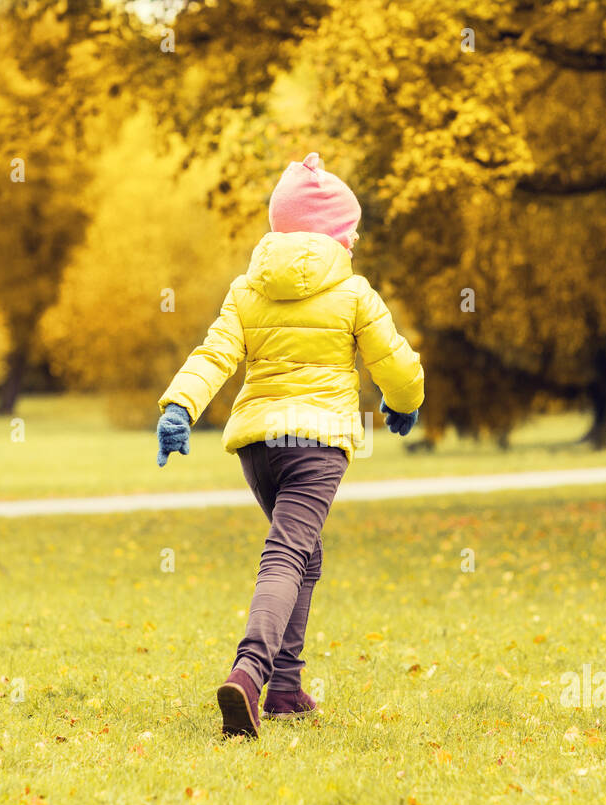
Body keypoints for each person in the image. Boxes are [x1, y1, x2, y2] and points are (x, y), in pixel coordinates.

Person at [155, 152, 425, 737]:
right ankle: (249, 675)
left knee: (304, 552)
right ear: (339, 235)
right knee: (286, 553)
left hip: (260, 449)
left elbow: (215, 356)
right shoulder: (353, 292)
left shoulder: (246, 290)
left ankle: (284, 687)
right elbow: (396, 364)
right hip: (317, 445)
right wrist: (404, 404)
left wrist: (180, 406)